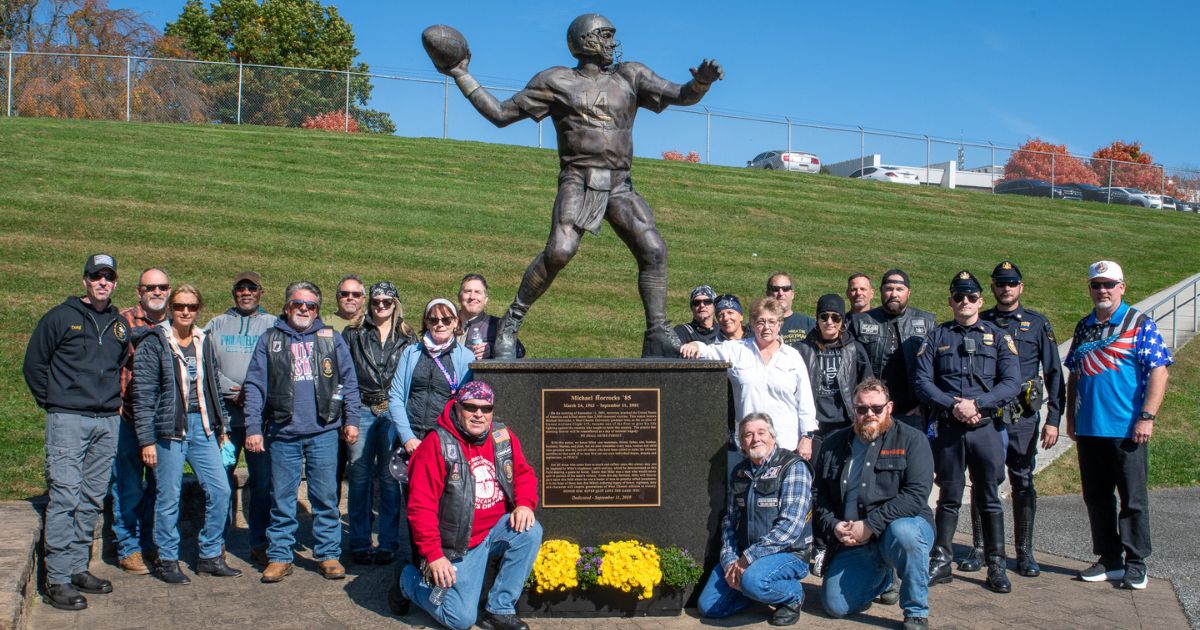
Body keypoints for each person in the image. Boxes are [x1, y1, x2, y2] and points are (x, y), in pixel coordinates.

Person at [442, 13, 723, 358]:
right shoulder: (556, 80)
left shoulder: (630, 75)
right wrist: (460, 73)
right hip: (579, 178)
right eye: (605, 36)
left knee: (654, 250)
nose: (611, 43)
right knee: (559, 251)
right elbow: (500, 114)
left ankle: (657, 331)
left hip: (619, 183)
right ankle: (511, 323)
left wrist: (701, 84)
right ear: (586, 40)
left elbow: (681, 95)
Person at [23, 254, 130, 610]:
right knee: (65, 495)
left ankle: (78, 567)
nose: (103, 283)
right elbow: (34, 364)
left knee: (91, 497)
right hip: (68, 419)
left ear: (115, 282)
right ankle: (57, 580)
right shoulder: (60, 317)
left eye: (109, 277)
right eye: (96, 276)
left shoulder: (118, 324)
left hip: (106, 421)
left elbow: (118, 366)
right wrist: (56, 402)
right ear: (85, 280)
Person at [393, 382, 542, 630]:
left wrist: (525, 504)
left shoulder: (501, 435)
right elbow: (420, 507)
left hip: (493, 529)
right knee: (459, 619)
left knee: (530, 530)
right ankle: (406, 580)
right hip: (457, 543)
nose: (478, 414)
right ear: (457, 407)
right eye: (471, 407)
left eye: (486, 408)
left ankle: (500, 608)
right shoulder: (436, 444)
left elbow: (524, 473)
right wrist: (433, 554)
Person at [242, 280, 361, 583]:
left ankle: (329, 554)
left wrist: (352, 420)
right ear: (286, 307)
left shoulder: (330, 339)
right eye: (298, 304)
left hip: (323, 430)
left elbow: (348, 381)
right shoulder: (270, 340)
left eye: (310, 305)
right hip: (283, 432)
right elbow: (255, 386)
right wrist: (253, 427)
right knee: (281, 498)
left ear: (317, 310)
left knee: (325, 497)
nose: (304, 309)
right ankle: (280, 556)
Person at [1065, 260, 1171, 591]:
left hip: (1127, 428)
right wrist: (1071, 418)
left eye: (1109, 284)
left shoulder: (1139, 324)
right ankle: (1109, 558)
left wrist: (1147, 416)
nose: (1103, 290)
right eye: (1097, 285)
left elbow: (1159, 370)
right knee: (1097, 497)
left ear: (1122, 287)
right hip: (1090, 428)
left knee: (1132, 498)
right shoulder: (1084, 327)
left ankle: (1136, 562)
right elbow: (1075, 374)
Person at [956, 261, 1065, 576]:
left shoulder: (1036, 324)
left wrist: (1054, 418)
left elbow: (1055, 373)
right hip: (987, 417)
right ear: (991, 288)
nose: (1006, 288)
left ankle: (1025, 552)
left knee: (1022, 480)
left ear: (1021, 287)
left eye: (1012, 283)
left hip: (1022, 418)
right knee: (982, 481)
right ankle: (981, 548)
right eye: (1001, 283)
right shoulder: (981, 320)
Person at [914, 271, 1020, 594]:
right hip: (949, 428)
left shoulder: (998, 336)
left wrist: (978, 404)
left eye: (971, 297)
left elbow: (1012, 382)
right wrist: (953, 405)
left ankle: (997, 564)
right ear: (950, 301)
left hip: (985, 427)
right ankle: (943, 560)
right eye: (958, 297)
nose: (965, 302)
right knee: (948, 496)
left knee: (989, 496)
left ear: (981, 300)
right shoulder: (936, 337)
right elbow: (922, 381)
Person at [131, 285, 241, 583]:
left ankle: (209, 554)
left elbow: (212, 389)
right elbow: (142, 395)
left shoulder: (203, 340)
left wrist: (222, 430)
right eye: (179, 305)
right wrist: (147, 440)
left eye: (191, 307)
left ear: (198, 309)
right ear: (170, 308)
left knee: (221, 490)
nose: (185, 311)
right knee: (169, 496)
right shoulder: (155, 342)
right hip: (169, 430)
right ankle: (167, 559)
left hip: (203, 427)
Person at [814, 379, 934, 630]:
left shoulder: (913, 440)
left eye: (876, 408)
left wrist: (870, 525)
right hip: (854, 540)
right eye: (862, 409)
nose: (869, 414)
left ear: (889, 407)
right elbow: (819, 496)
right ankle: (884, 577)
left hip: (898, 531)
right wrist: (834, 526)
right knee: (834, 606)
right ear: (853, 409)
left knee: (905, 533)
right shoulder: (832, 444)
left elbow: (916, 495)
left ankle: (915, 611)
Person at [697, 412, 811, 626]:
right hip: (746, 556)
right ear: (741, 443)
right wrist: (730, 560)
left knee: (753, 580)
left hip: (788, 554)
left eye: (761, 432)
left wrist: (747, 559)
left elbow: (790, 527)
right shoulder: (739, 473)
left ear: (773, 436)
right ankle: (753, 589)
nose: (755, 438)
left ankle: (793, 595)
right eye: (748, 435)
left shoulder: (793, 467)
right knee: (709, 606)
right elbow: (729, 522)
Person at [681, 297, 817, 461]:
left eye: (772, 322)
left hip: (786, 445)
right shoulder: (737, 350)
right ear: (752, 324)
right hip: (749, 446)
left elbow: (805, 401)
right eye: (760, 322)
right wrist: (695, 345)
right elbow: (707, 351)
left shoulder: (792, 357)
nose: (766, 327)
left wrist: (807, 437)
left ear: (780, 324)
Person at [795, 294, 873, 577]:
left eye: (836, 317)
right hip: (814, 428)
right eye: (824, 316)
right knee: (815, 489)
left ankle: (840, 541)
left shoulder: (854, 348)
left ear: (842, 321)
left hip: (845, 427)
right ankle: (816, 544)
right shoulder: (801, 349)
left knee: (841, 487)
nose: (829, 322)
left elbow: (868, 386)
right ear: (816, 318)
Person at [204, 270, 277, 566]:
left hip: (260, 420)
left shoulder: (273, 324)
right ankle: (216, 542)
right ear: (234, 293)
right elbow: (205, 361)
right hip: (226, 420)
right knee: (220, 479)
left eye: (252, 289)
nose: (246, 293)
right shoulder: (217, 324)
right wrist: (227, 387)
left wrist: (254, 390)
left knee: (262, 482)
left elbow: (280, 362)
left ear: (261, 293)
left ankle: (259, 541)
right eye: (240, 289)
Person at [342, 281, 415, 565]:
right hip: (361, 407)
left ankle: (388, 542)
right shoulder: (353, 334)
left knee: (389, 479)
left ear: (396, 304)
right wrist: (347, 416)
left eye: (387, 302)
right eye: (376, 302)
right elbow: (344, 377)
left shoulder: (408, 337)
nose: (381, 306)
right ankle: (359, 541)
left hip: (393, 411)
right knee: (359, 476)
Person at [112, 267, 170, 574]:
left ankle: (152, 543)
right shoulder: (122, 322)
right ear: (139, 292)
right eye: (150, 288)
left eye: (162, 287)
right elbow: (107, 365)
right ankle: (128, 547)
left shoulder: (176, 323)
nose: (157, 292)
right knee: (129, 485)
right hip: (129, 416)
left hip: (164, 421)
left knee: (162, 487)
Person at [848, 269, 937, 429]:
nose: (894, 294)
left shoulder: (927, 322)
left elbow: (935, 367)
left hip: (912, 412)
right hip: (872, 411)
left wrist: (924, 404)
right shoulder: (859, 322)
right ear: (881, 291)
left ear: (908, 292)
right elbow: (849, 369)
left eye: (899, 289)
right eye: (889, 289)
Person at [389, 299, 476, 456]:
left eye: (446, 319)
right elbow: (395, 396)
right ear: (426, 323)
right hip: (410, 438)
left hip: (444, 440)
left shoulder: (466, 357)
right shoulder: (411, 353)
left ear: (456, 322)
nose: (440, 324)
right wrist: (407, 437)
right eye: (433, 320)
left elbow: (466, 404)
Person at [457, 273, 524, 359]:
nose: (472, 296)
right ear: (459, 297)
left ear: (485, 300)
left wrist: (493, 349)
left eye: (477, 292)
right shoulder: (444, 322)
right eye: (468, 291)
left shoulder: (498, 325)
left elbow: (520, 351)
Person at [766, 271, 816, 349]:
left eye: (785, 289)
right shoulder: (758, 326)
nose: (781, 293)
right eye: (775, 289)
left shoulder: (809, 325)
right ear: (768, 294)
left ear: (792, 294)